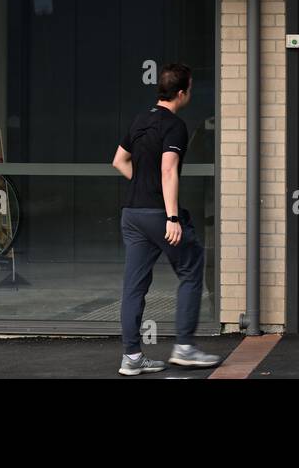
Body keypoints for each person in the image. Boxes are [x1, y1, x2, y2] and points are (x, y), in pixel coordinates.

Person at [111, 63, 221, 375]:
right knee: (191, 267)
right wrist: (172, 217)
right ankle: (184, 347)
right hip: (158, 215)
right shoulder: (174, 126)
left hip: (131, 215)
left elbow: (119, 160)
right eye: (191, 88)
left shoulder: (140, 119)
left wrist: (141, 187)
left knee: (134, 286)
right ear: (182, 92)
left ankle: (131, 357)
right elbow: (168, 170)